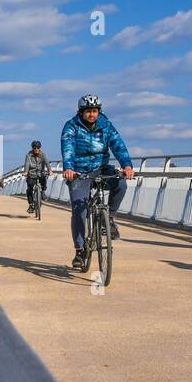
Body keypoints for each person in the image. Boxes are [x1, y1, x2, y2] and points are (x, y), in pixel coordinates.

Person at [61, 94, 135, 268]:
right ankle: (80, 251)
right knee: (80, 209)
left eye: (94, 111)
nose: (92, 115)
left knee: (120, 184)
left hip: (101, 168)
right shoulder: (71, 126)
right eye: (88, 111)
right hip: (79, 171)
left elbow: (118, 145)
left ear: (99, 112)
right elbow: (68, 147)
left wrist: (127, 166)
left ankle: (108, 218)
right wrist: (69, 168)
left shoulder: (106, 125)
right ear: (81, 112)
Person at [23, 140, 50, 213]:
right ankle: (31, 205)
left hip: (40, 174)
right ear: (32, 148)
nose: (36, 149)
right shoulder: (29, 155)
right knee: (29, 189)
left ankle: (43, 192)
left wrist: (50, 170)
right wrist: (25, 172)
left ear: (40, 148)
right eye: (34, 147)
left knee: (44, 178)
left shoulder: (43, 154)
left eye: (38, 147)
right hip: (31, 174)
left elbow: (47, 162)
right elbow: (27, 164)